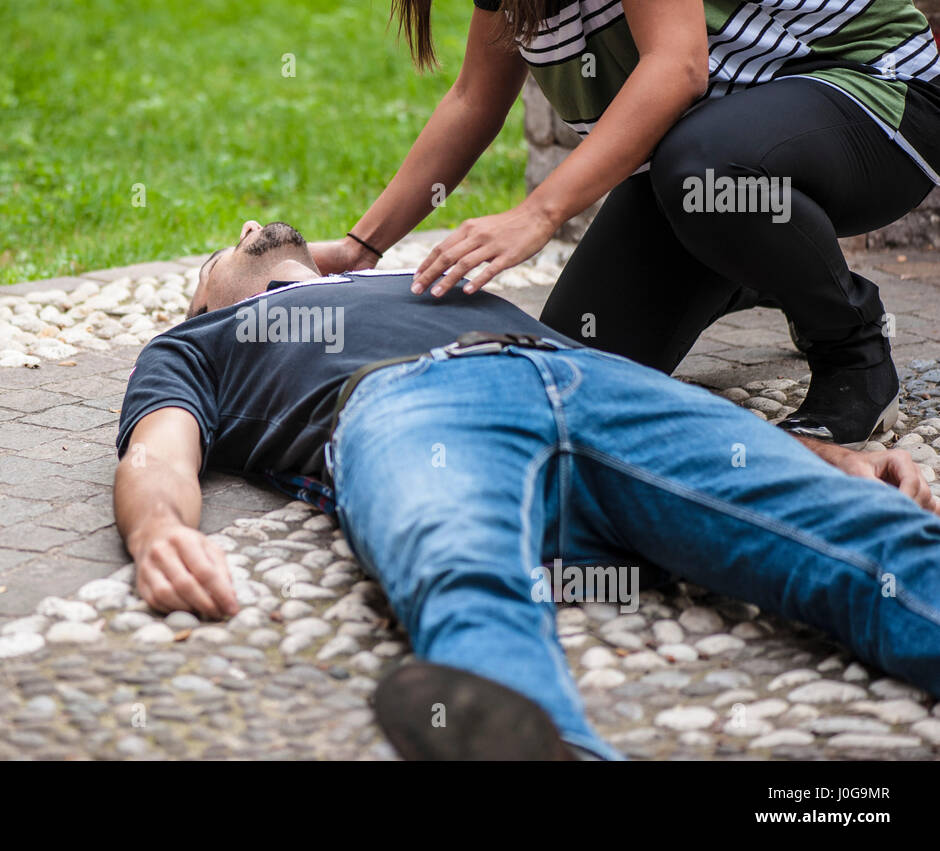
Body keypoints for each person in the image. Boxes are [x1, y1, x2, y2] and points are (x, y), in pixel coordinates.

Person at [113, 220, 940, 760]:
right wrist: (159, 534)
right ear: (200, 303)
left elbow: (687, 423)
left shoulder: (421, 278)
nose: (253, 226)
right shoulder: (198, 341)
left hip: (589, 380)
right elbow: (158, 453)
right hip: (413, 410)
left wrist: (821, 457)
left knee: (860, 528)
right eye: (230, 244)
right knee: (462, 572)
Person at [311, 0, 940, 447]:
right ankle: (761, 265)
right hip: (719, 153)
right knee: (565, 374)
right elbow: (474, 98)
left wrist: (538, 213)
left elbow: (678, 65)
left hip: (880, 97)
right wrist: (360, 246)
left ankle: (851, 349)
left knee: (703, 173)